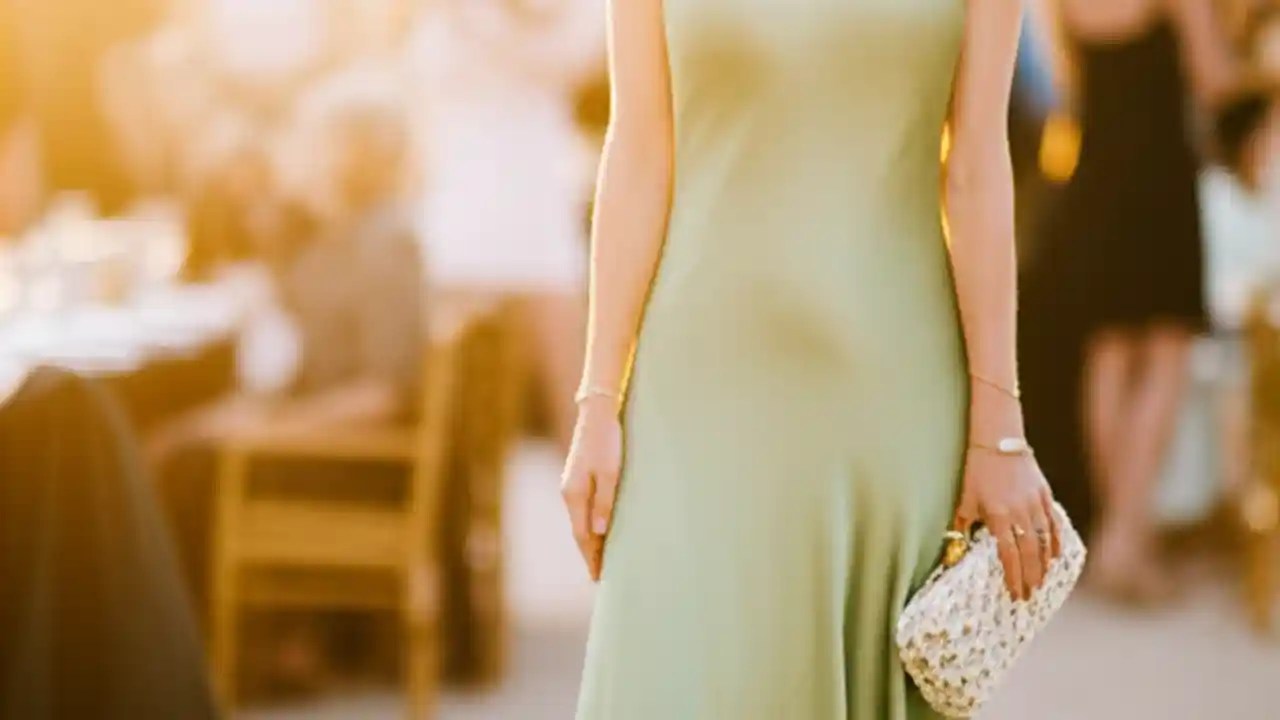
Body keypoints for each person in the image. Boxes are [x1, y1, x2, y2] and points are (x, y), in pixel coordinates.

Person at [561, 1, 1062, 717]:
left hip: (891, 401)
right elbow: (639, 150)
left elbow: (978, 169)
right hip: (693, 395)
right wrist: (597, 402)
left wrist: (999, 429)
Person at [149, 76, 424, 693]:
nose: (300, 158)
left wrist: (267, 426)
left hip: (348, 458)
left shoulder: (385, 246)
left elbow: (384, 395)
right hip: (313, 433)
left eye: (316, 144)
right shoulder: (342, 232)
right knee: (176, 440)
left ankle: (205, 658)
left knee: (185, 461)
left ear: (354, 154)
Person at [1021, 0, 1237, 604]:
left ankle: (1120, 538)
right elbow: (1214, 80)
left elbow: (1066, 83)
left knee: (1110, 353)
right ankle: (1126, 540)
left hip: (1095, 174)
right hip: (1159, 177)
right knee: (1166, 354)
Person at [405, 0, 605, 450]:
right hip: (456, 203)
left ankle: (600, 510)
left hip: (536, 199)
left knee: (574, 383)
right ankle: (456, 509)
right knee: (448, 389)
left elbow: (573, 58)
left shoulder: (581, 17)